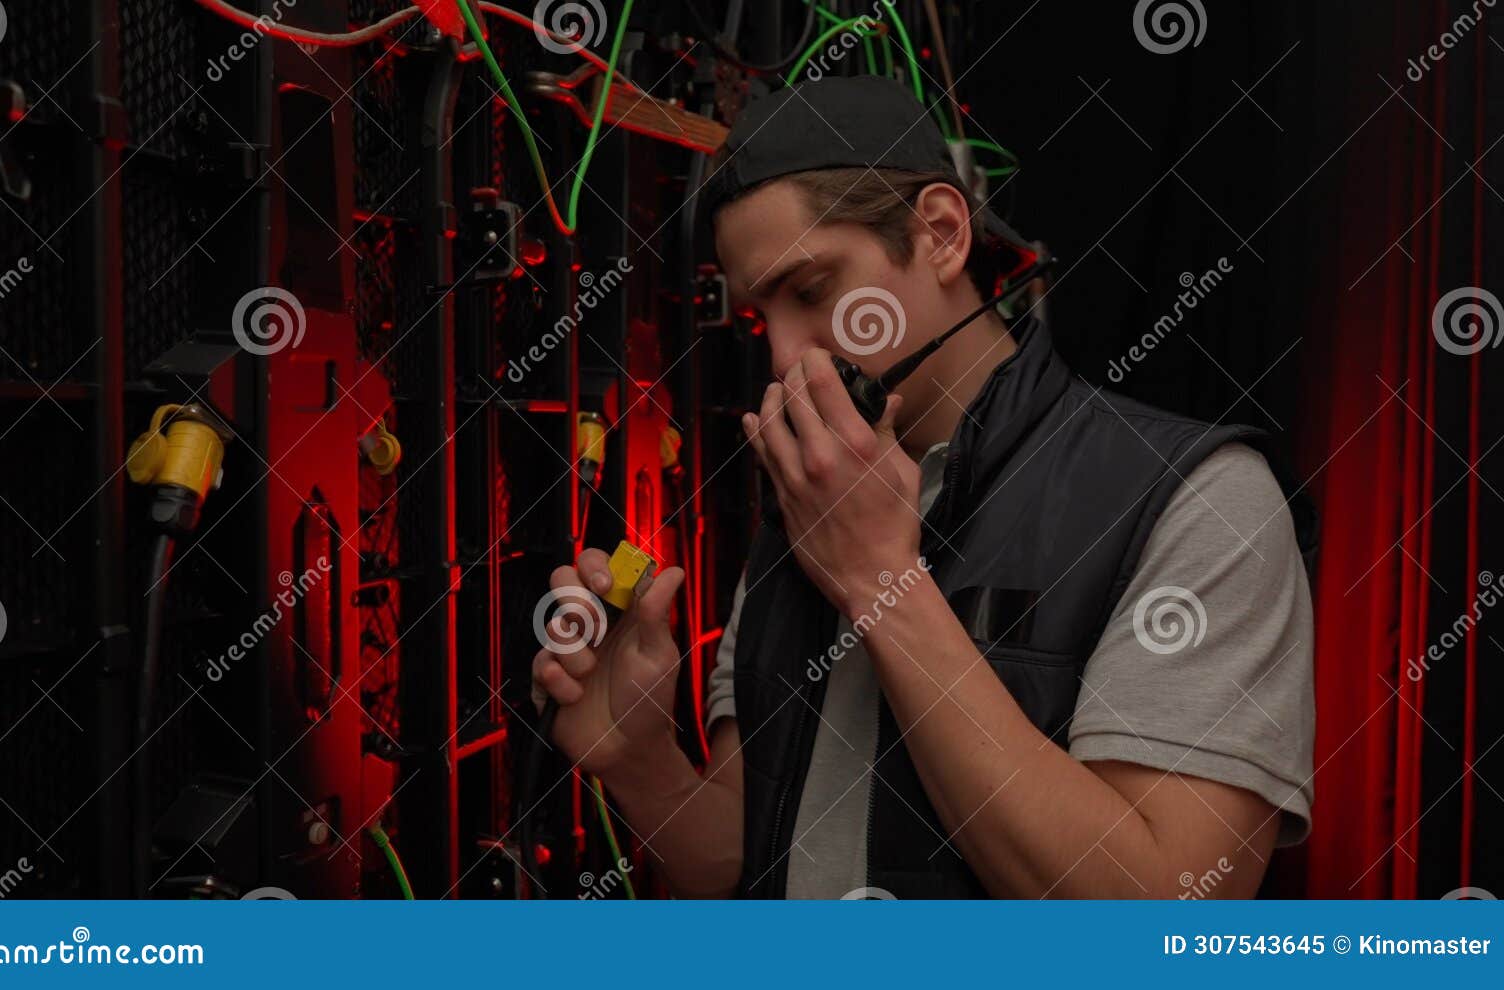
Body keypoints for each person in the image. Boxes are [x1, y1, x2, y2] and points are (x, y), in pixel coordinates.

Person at [530, 76, 1317, 899]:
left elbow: (1160, 917)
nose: (786, 359)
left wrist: (881, 581)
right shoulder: (803, 509)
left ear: (941, 233)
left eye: (814, 291)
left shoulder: (1198, 501)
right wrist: (641, 762)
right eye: (764, 318)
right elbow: (746, 859)